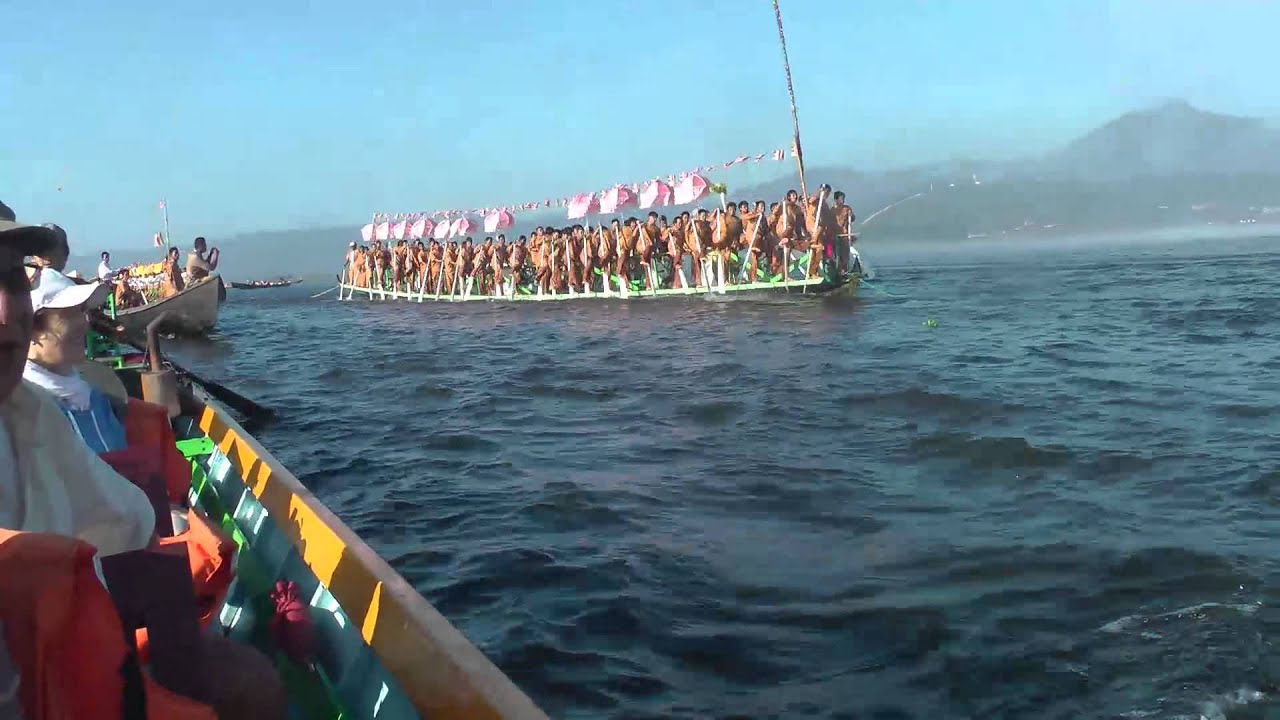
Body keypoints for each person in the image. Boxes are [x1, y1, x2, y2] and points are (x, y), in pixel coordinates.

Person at [1, 206, 286, 719]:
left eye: (10, 278)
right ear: (43, 332)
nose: (5, 310)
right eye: (76, 314)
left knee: (253, 681)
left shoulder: (30, 415)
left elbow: (131, 520)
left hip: (84, 676)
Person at [23, 270, 125, 454]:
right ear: (30, 329)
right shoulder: (23, 415)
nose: (84, 322)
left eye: (82, 310)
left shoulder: (95, 398)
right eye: (68, 314)